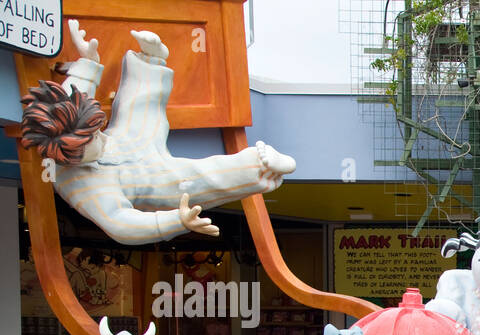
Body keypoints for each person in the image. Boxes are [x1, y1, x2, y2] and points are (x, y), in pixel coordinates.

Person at [19, 20, 295, 245]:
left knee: (137, 108)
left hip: (128, 141)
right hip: (138, 179)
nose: (99, 139)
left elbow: (76, 90)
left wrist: (89, 62)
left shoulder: (66, 112)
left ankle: (150, 60)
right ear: (72, 156)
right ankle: (260, 166)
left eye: (96, 132)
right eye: (93, 142)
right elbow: (120, 223)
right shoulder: (81, 186)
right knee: (190, 179)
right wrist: (177, 220)